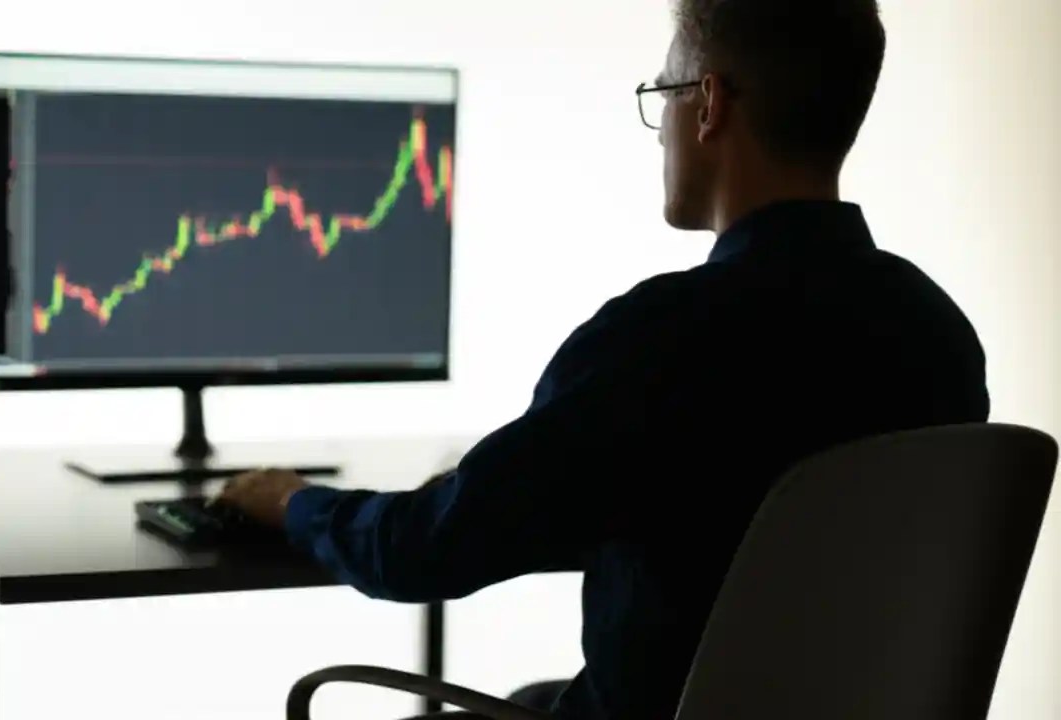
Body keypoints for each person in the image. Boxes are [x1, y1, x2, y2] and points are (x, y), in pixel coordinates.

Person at [220, 0, 991, 717]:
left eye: (667, 91)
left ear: (712, 103)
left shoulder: (661, 339)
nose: (661, 127)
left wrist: (293, 501)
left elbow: (422, 554)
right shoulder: (939, 337)